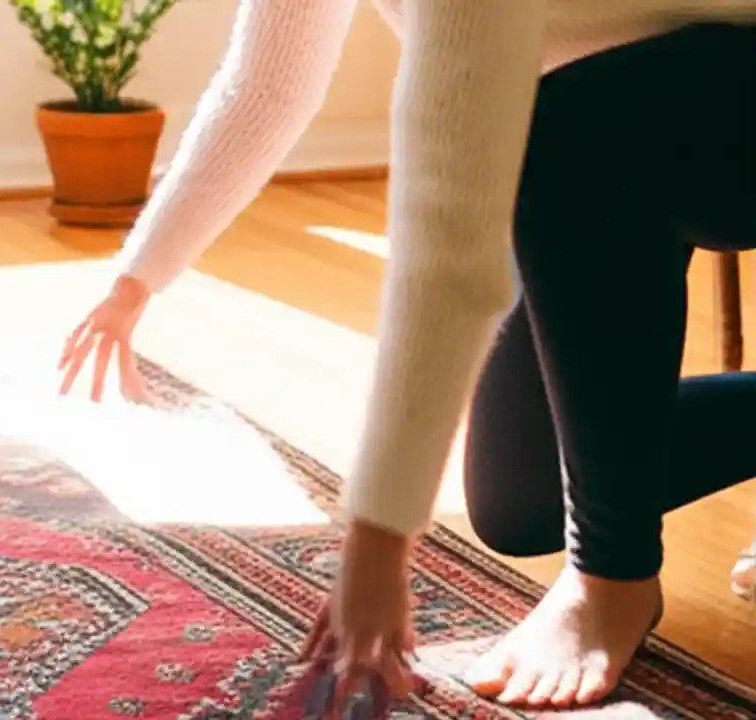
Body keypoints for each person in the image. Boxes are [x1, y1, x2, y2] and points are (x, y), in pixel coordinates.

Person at [56, 0, 756, 711]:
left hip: (689, 96)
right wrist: (137, 278)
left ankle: (612, 582)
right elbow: (266, 87)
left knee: (558, 120)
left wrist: (379, 539)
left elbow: (448, 218)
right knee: (523, 499)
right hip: (592, 152)